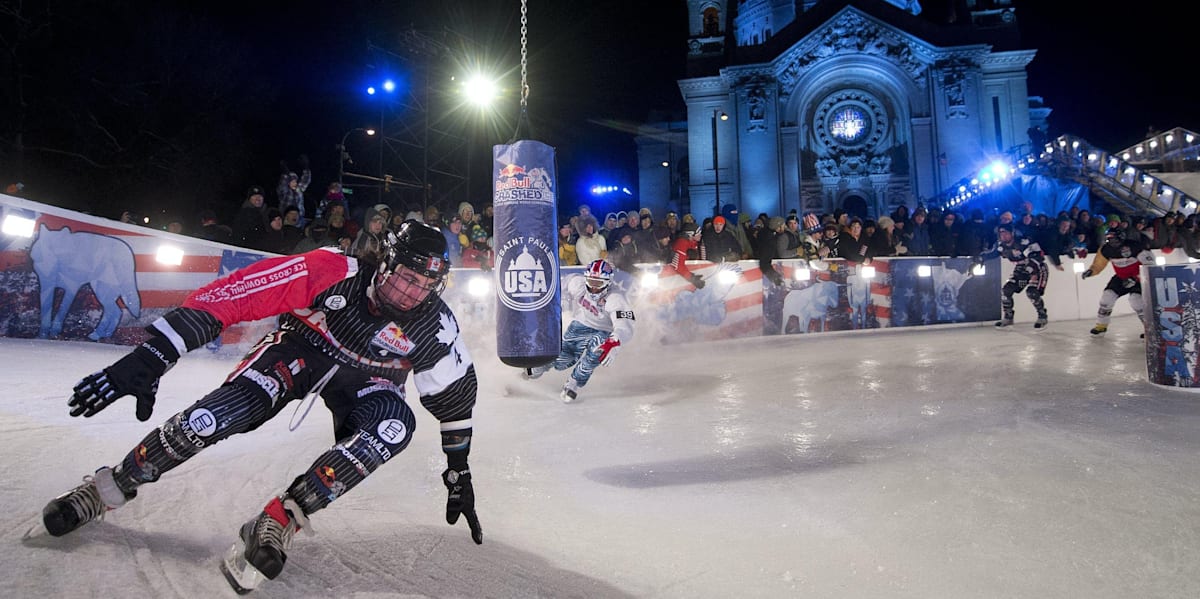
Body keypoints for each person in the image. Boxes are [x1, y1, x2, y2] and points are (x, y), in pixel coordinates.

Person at [39, 220, 482, 592]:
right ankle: (107, 488)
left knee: (394, 427)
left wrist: (458, 470)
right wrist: (153, 355)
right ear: (384, 263)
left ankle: (279, 518)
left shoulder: (435, 323)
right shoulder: (334, 269)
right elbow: (238, 293)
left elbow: (453, 396)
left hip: (372, 381)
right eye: (406, 276)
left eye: (427, 285)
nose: (412, 293)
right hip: (301, 351)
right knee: (210, 419)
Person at [522, 259, 635, 403]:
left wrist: (615, 341)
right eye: (591, 282)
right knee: (562, 360)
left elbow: (625, 325)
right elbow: (558, 285)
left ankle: (573, 384)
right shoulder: (578, 284)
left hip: (603, 331)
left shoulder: (615, 298)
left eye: (598, 283)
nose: (593, 288)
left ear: (608, 282)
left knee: (596, 351)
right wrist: (555, 300)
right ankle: (534, 370)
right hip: (581, 324)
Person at [1080, 226, 1156, 335]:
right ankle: (1101, 325)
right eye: (1109, 239)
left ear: (1121, 237)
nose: (1112, 242)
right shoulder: (1106, 249)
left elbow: (1150, 265)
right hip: (1121, 277)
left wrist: (1136, 278)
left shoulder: (1136, 246)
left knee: (1136, 300)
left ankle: (1151, 329)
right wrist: (1091, 271)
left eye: (1114, 239)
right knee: (1107, 297)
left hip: (1140, 278)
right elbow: (1099, 264)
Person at [982, 222, 1049, 329]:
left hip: (1038, 268)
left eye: (1006, 233)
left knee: (1032, 292)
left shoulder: (1023, 243)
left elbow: (1036, 258)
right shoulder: (1000, 246)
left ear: (1012, 233)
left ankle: (1042, 316)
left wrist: (1033, 274)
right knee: (1006, 290)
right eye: (1001, 233)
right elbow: (992, 254)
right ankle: (1008, 317)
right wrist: (979, 259)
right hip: (1021, 269)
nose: (1003, 235)